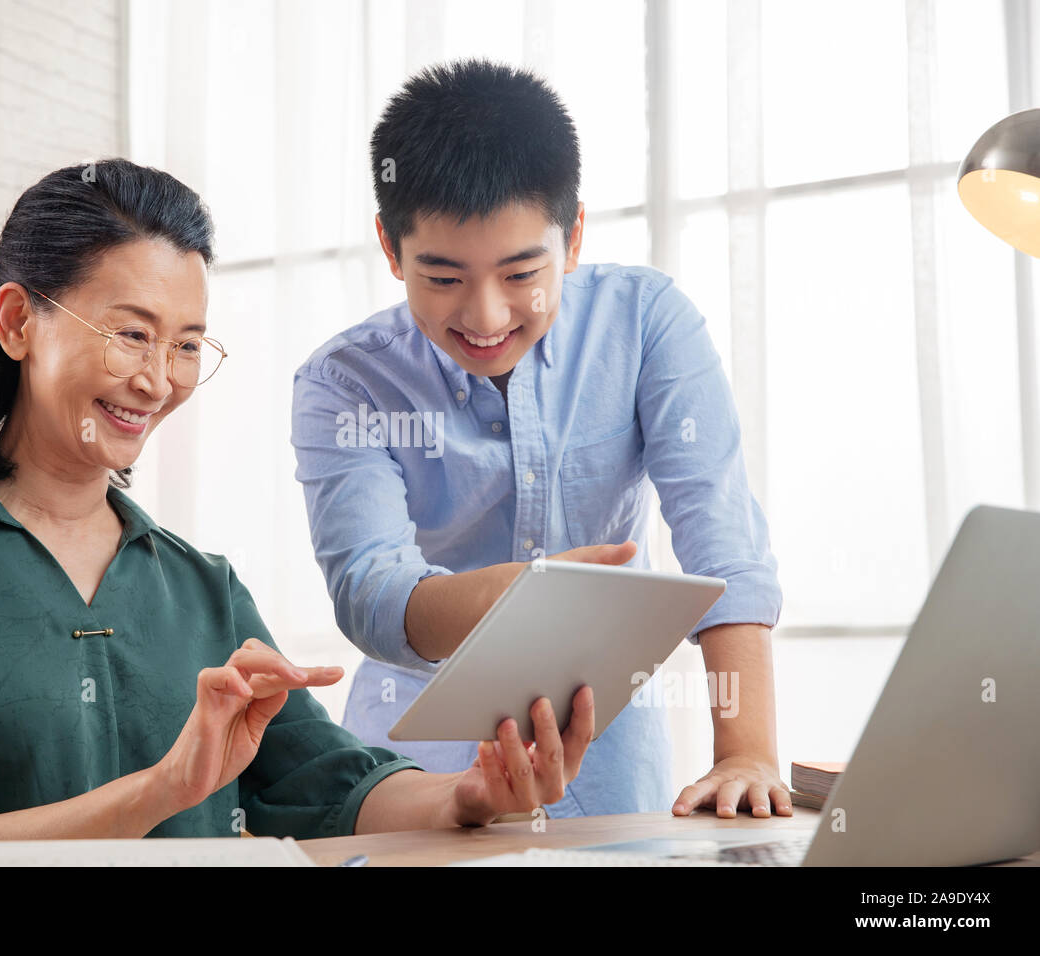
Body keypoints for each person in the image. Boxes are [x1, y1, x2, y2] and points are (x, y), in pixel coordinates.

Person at [0, 158, 595, 866]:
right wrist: (164, 790)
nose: (157, 380)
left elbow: (330, 787)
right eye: (131, 335)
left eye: (185, 346)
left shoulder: (202, 587)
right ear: (14, 322)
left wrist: (467, 797)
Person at [291, 60, 790, 820]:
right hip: (411, 767)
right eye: (445, 278)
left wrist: (747, 753)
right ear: (391, 251)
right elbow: (370, 591)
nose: (487, 317)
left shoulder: (646, 322)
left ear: (575, 235)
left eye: (523, 272)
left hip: (605, 757)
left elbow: (721, 538)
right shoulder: (345, 381)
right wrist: (527, 605)